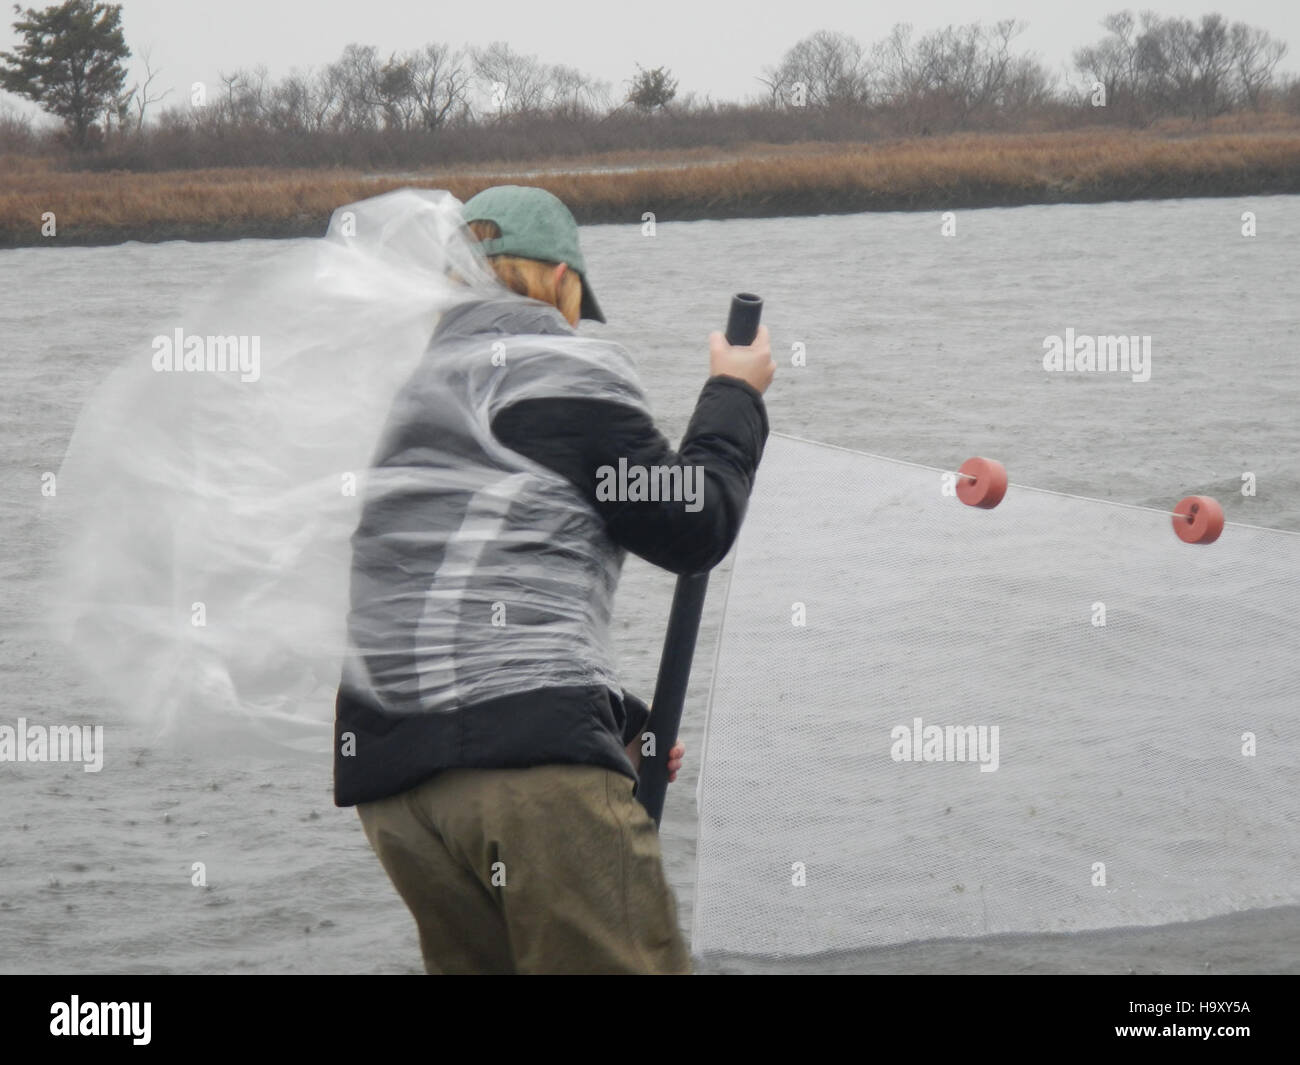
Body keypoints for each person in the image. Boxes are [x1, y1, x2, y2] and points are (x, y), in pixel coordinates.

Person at [333, 185, 773, 974]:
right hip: (527, 786)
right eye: (576, 296)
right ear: (555, 279)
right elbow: (692, 522)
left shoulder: (417, 399)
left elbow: (449, 594)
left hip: (398, 792)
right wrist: (734, 395)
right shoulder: (555, 369)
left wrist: (612, 720)